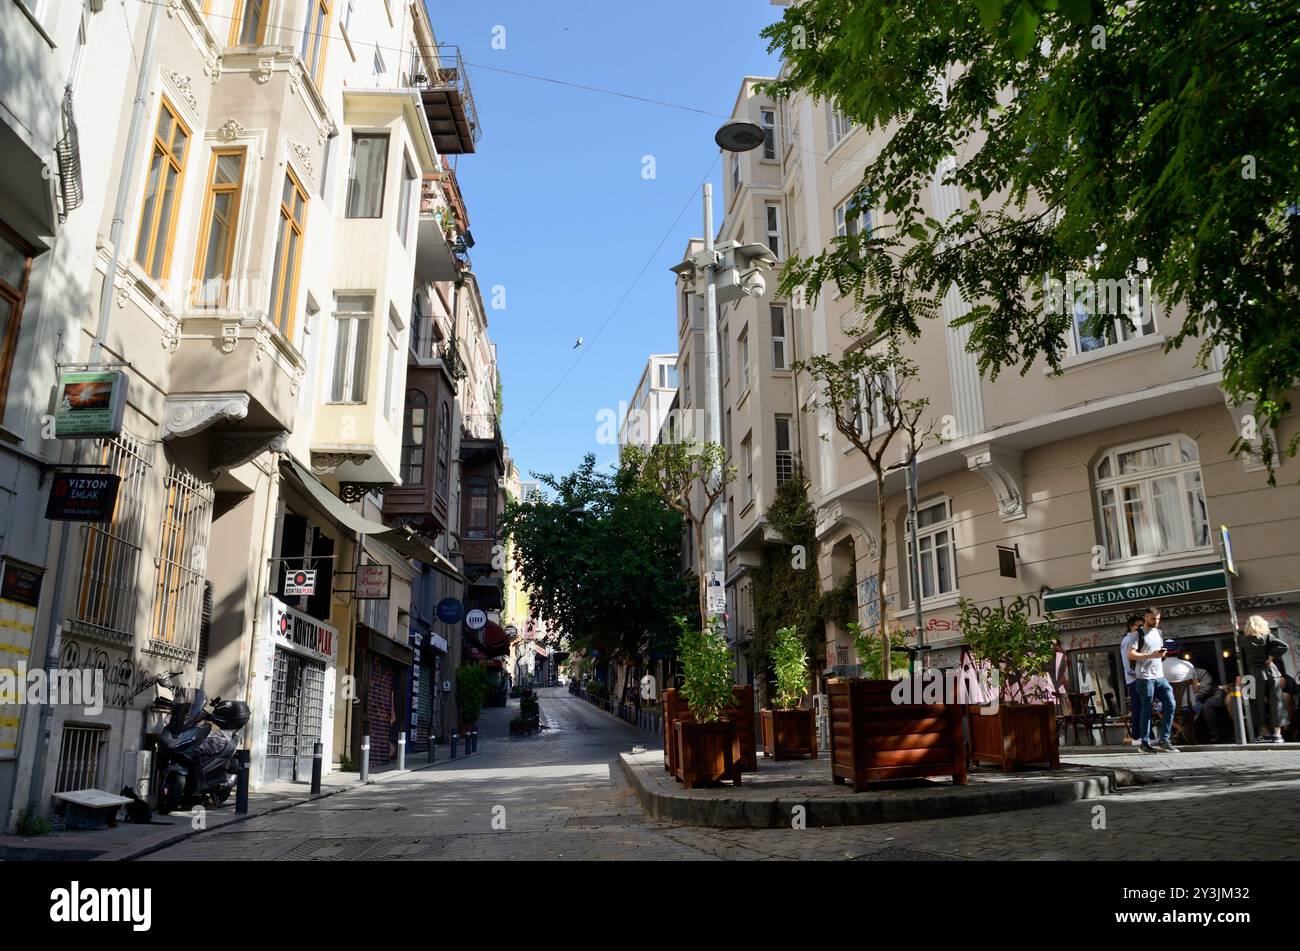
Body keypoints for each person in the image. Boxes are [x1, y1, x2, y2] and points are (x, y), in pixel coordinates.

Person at [1127, 606, 1178, 753]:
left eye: (1158, 619)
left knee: (1171, 703)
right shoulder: (1138, 634)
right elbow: (1130, 655)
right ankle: (1144, 742)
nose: (1156, 621)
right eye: (1152, 619)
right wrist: (1151, 656)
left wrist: (1162, 654)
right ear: (1146, 617)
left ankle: (1164, 739)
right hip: (1145, 677)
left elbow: (1158, 652)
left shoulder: (1158, 632)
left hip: (1159, 676)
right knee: (1146, 709)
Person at [1241, 614, 1288, 743]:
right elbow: (1284, 646)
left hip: (1252, 675)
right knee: (1276, 703)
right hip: (1272, 673)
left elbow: (1240, 660)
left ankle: (1264, 733)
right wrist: (1271, 657)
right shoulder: (1268, 637)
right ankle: (1278, 735)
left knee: (1256, 704)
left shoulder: (1243, 640)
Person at [1118, 615, 1145, 745]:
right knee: (1138, 708)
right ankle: (1137, 736)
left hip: (1138, 678)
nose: (1141, 629)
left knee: (1142, 707)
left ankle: (1144, 736)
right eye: (1139, 626)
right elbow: (1127, 664)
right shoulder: (1128, 640)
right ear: (1131, 626)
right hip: (1135, 679)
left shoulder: (1136, 639)